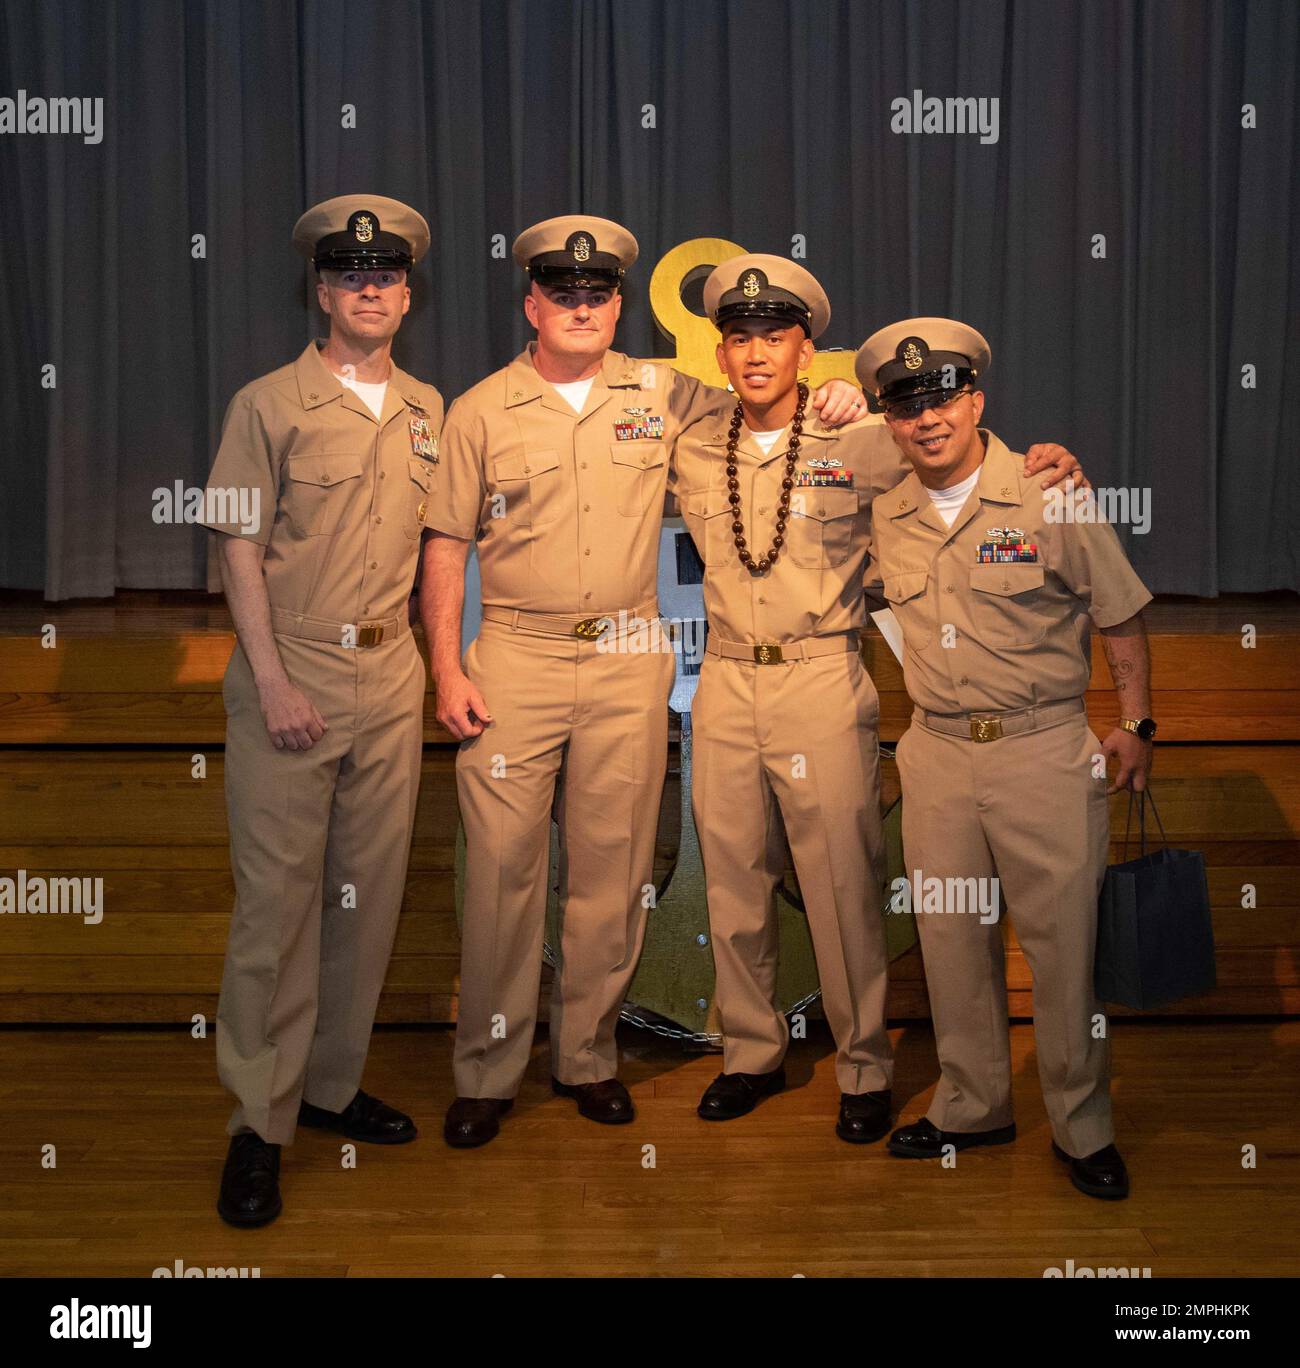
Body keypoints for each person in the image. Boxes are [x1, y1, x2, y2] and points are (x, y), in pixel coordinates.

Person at [422, 217, 865, 1147]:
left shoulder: (667, 393)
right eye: (563, 295)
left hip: (628, 654)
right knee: (504, 874)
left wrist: (846, 394)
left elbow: (773, 395)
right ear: (533, 304)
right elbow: (445, 547)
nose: (582, 309)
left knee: (613, 874)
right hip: (514, 655)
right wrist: (445, 666)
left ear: (619, 304)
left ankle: (586, 1058)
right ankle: (488, 1071)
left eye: (598, 295)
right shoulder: (478, 410)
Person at [674, 261, 1086, 1140]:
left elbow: (960, 454)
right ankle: (749, 1051)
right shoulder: (689, 437)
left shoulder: (862, 440)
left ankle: (863, 1062)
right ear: (719, 351)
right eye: (740, 337)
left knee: (841, 882)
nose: (756, 353)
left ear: (807, 350)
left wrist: (1051, 462)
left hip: (822, 673)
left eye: (775, 337)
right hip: (724, 676)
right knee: (733, 879)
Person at [860, 317, 1154, 1199]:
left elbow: (1121, 613)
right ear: (890, 423)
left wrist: (1137, 725)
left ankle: (1083, 1125)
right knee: (951, 946)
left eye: (944, 397)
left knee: (1066, 956)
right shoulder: (887, 509)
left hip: (1042, 753)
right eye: (906, 406)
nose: (928, 418)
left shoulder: (1049, 492)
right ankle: (973, 1105)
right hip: (940, 756)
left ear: (977, 400)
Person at [199, 195, 442, 1225]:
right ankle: (259, 1120)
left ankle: (331, 1088)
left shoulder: (431, 407)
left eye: (385, 275)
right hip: (290, 669)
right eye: (350, 275)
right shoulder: (268, 403)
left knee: (365, 900)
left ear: (407, 294)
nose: (369, 288)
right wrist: (270, 681)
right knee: (276, 913)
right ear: (322, 290)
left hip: (392, 681)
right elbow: (237, 547)